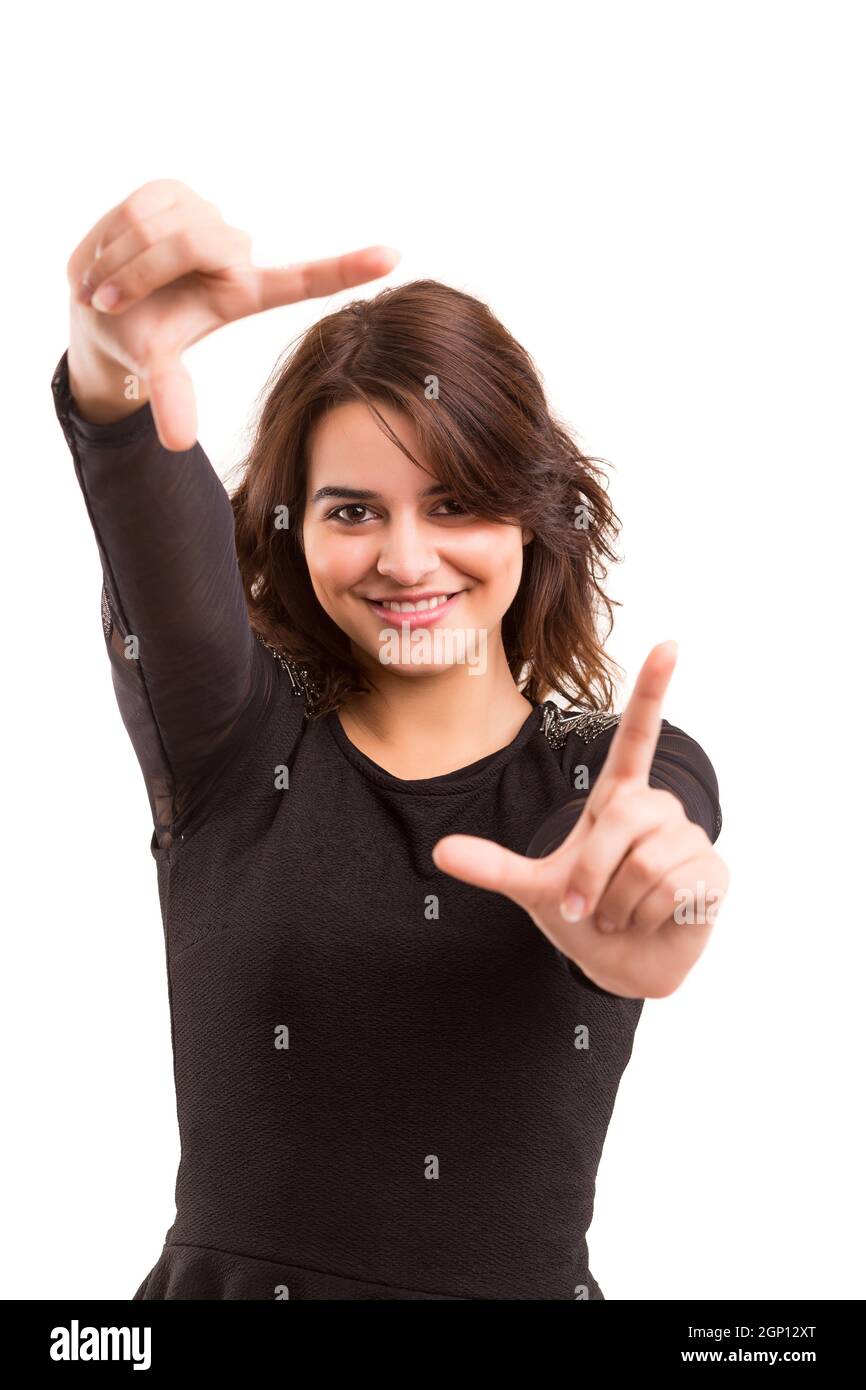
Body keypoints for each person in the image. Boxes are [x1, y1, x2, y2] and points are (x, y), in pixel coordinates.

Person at [52, 178, 729, 1300]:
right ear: (291, 526)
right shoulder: (229, 747)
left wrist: (658, 899)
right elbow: (158, 553)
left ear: (531, 514)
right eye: (353, 509)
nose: (407, 561)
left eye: (456, 501)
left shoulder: (609, 772)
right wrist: (115, 376)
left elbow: (652, 838)